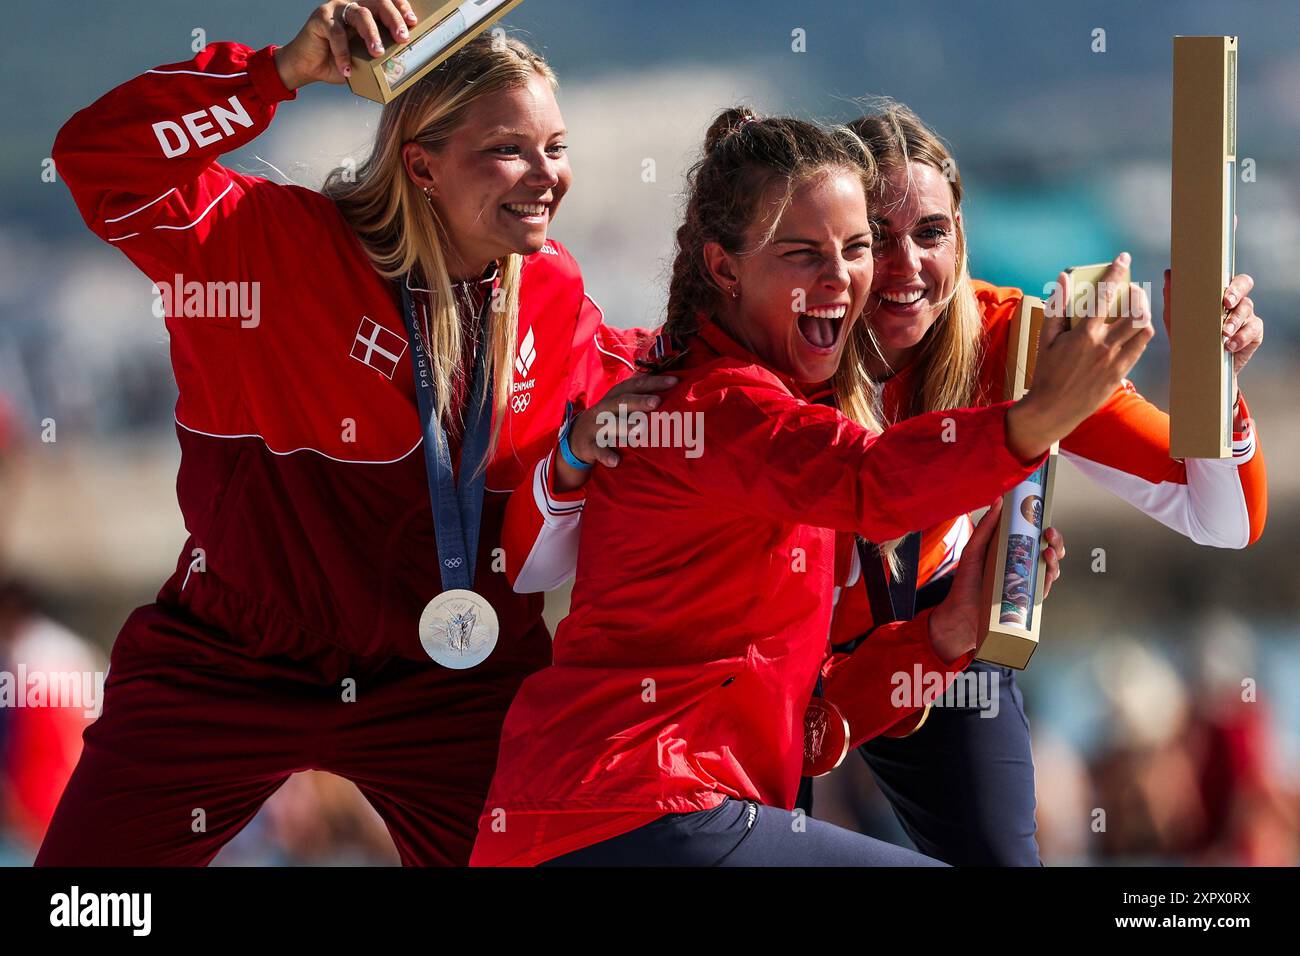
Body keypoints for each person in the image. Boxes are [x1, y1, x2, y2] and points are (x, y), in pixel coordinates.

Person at [36, 0, 668, 866]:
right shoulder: (270, 249)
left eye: (556, 149)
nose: (545, 175)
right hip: (232, 659)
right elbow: (99, 158)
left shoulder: (553, 295)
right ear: (422, 165)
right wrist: (276, 74)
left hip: (454, 680)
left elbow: (675, 375)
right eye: (507, 150)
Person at [470, 108, 1150, 866]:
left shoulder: (769, 421)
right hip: (636, 811)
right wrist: (1035, 419)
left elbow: (823, 718)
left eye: (855, 249)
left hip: (625, 822)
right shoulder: (716, 407)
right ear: (724, 268)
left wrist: (945, 636)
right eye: (801, 254)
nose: (838, 279)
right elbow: (873, 478)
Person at [819, 101, 1268, 866]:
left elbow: (1218, 517)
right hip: (791, 646)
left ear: (961, 233)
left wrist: (1214, 380)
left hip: (945, 632)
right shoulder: (795, 341)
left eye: (930, 233)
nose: (905, 267)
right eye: (876, 239)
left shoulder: (1014, 343)